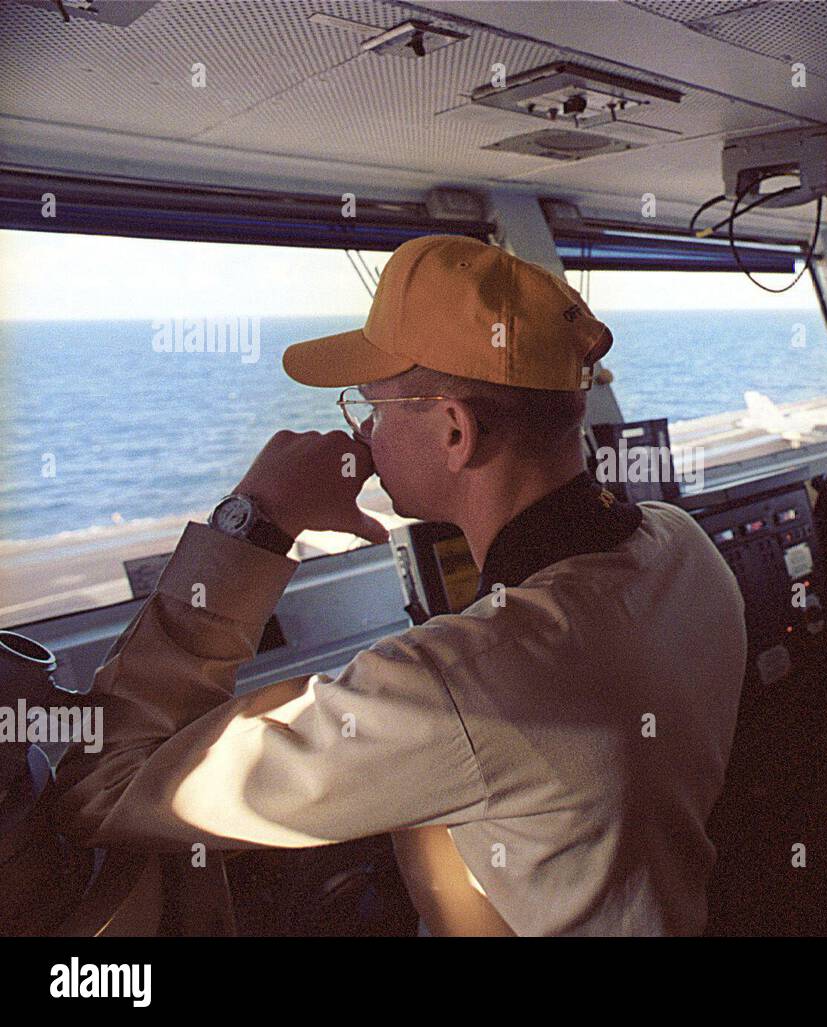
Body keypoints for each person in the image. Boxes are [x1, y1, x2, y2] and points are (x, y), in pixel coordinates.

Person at [49, 235, 748, 936]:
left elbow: (101, 787)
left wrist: (255, 523)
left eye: (374, 408)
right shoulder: (681, 547)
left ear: (454, 431)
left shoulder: (455, 687)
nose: (361, 431)